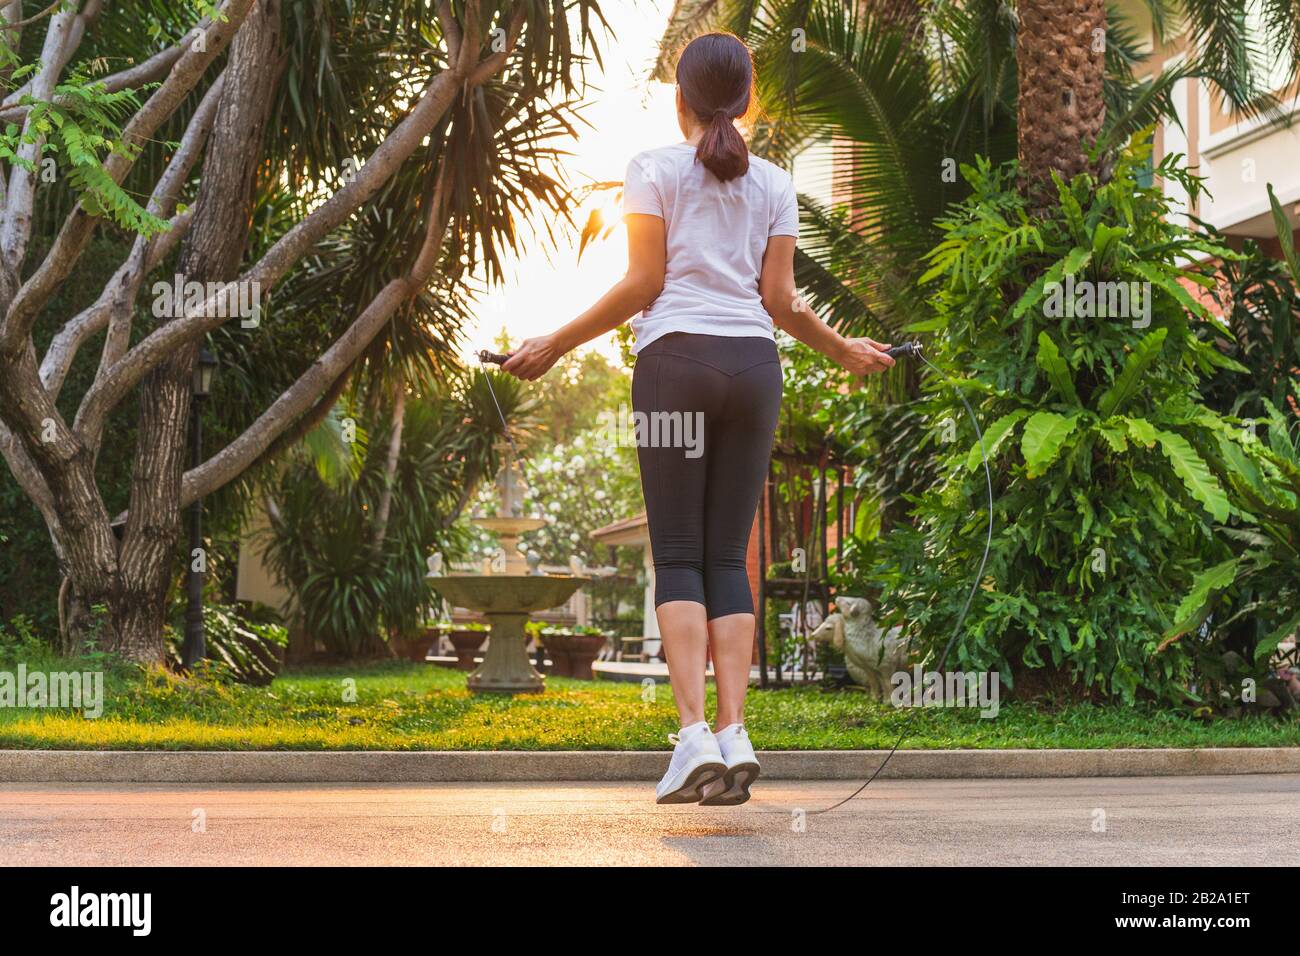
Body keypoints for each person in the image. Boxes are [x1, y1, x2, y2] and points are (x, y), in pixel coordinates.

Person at [502, 32, 894, 805]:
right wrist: (842, 348)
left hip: (677, 363)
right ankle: (736, 729)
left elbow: (645, 281)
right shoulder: (775, 183)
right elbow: (779, 304)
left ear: (678, 99)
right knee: (726, 558)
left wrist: (555, 338)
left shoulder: (651, 168)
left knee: (677, 551)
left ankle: (690, 739)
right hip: (753, 370)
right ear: (747, 102)